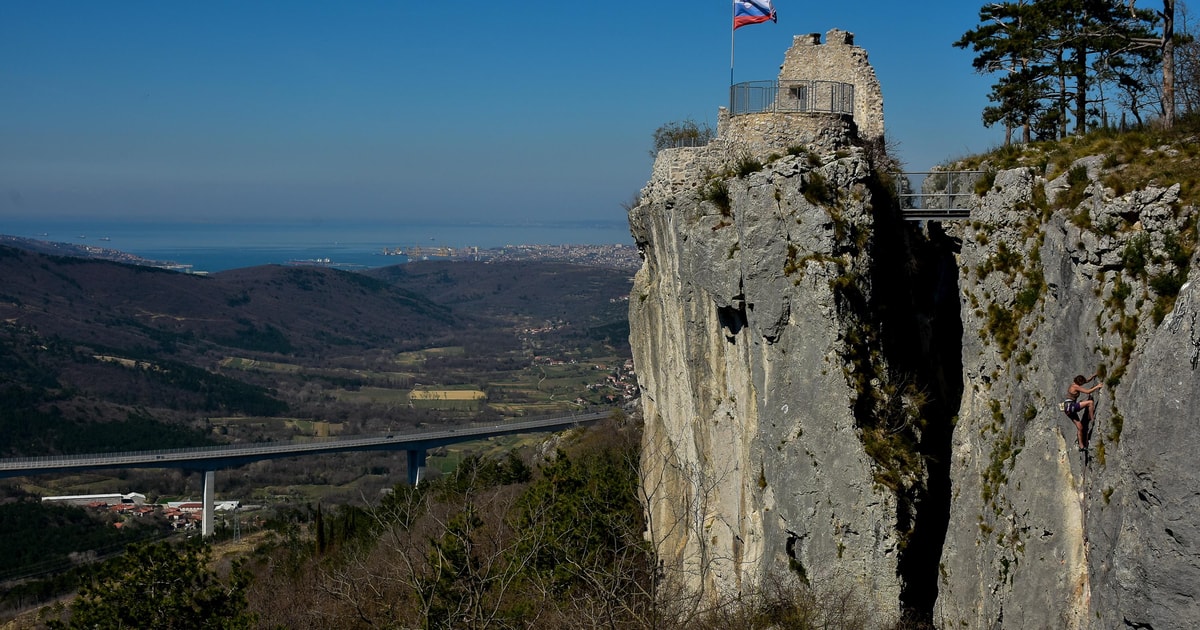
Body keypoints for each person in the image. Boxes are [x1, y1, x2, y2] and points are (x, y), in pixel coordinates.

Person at [1063, 373, 1103, 450]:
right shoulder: (1075, 387)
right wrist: (1097, 386)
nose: (1083, 384)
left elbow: (1086, 381)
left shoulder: (1075, 383)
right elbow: (1088, 392)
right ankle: (1092, 419)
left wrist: (1093, 376)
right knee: (1090, 403)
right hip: (1070, 406)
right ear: (1079, 383)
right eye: (1082, 383)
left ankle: (1081, 446)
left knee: (1080, 427)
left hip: (1068, 409)